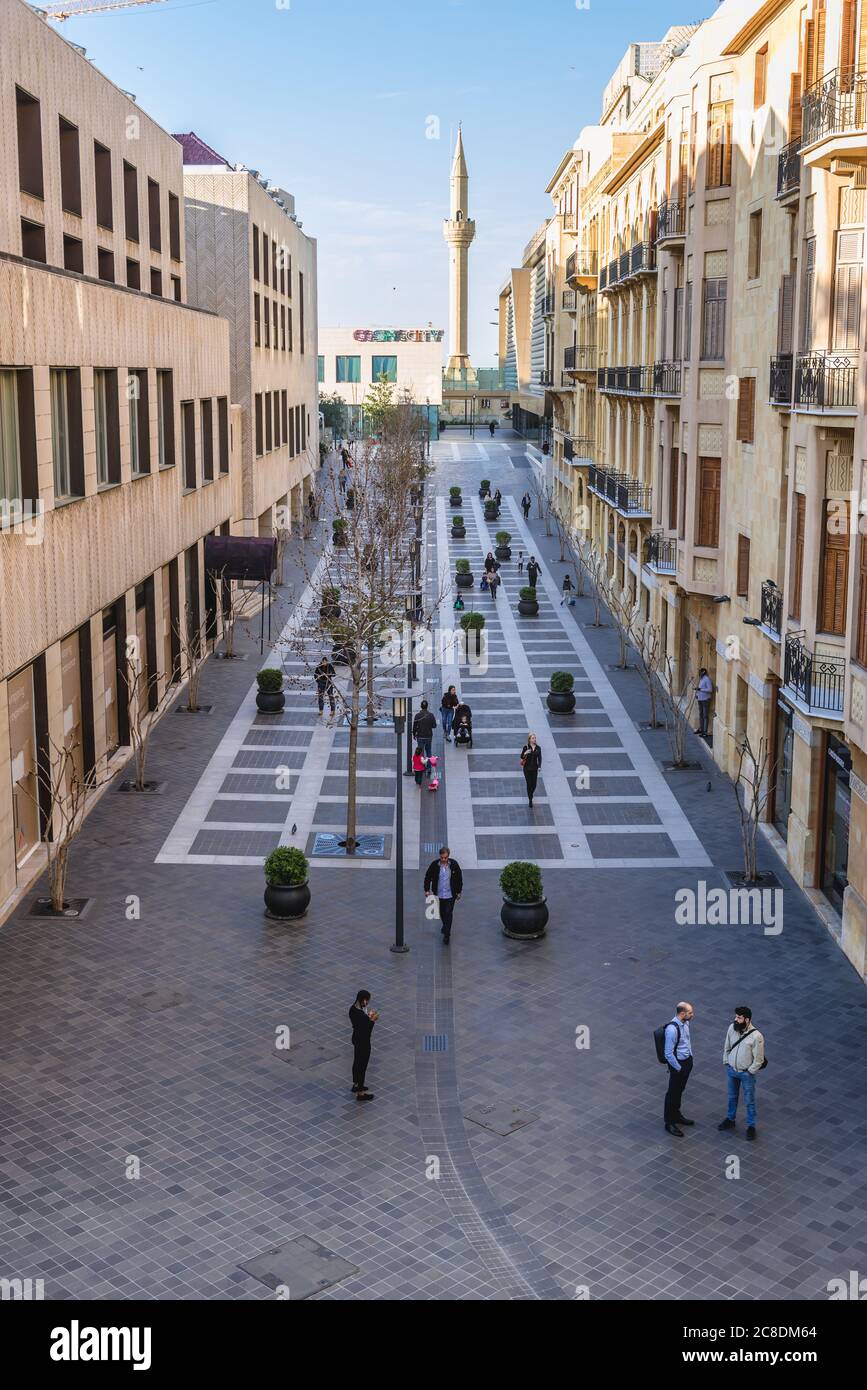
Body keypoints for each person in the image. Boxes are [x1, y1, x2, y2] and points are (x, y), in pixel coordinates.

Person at [718, 1007, 765, 1140]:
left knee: (749, 1101)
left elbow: (759, 1059)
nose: (735, 1019)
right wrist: (726, 1062)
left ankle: (751, 1126)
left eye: (739, 1017)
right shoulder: (731, 1028)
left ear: (747, 1020)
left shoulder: (757, 1036)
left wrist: (750, 1071)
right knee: (732, 1097)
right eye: (736, 1016)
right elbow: (726, 1047)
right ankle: (730, 1119)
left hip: (746, 1074)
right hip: (732, 1070)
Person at [663, 1002, 695, 1137]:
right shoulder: (672, 1029)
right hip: (678, 1065)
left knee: (680, 1090)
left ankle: (676, 1115)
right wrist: (679, 1068)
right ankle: (669, 1122)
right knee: (672, 1093)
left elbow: (686, 1041)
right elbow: (668, 1053)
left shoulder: (686, 1023)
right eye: (690, 1013)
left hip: (686, 1061)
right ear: (682, 1013)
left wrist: (690, 1057)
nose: (692, 1015)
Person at [423, 846, 463, 945]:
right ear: (440, 856)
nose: (443, 860)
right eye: (442, 858)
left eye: (445, 858)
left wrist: (459, 891)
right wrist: (427, 890)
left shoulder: (453, 864)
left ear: (448, 856)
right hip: (439, 893)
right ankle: (445, 926)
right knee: (441, 912)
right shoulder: (434, 865)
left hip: (451, 894)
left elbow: (459, 878)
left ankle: (447, 934)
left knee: (448, 912)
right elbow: (428, 877)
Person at [349, 990, 378, 1101]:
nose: (368, 1003)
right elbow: (367, 1030)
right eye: (367, 1001)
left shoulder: (353, 1009)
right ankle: (360, 1093)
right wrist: (372, 1020)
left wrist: (367, 1017)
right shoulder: (361, 1015)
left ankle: (356, 1084)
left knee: (356, 1061)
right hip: (363, 1042)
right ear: (364, 1000)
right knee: (362, 1065)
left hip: (356, 1038)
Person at [412, 699, 437, 765]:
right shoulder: (431, 715)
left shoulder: (417, 715)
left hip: (420, 736)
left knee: (421, 752)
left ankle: (422, 765)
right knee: (428, 751)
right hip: (428, 736)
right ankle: (429, 767)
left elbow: (414, 726)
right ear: (427, 706)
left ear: (421, 706)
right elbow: (434, 726)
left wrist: (414, 734)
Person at [520, 733, 542, 808]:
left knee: (534, 784)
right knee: (529, 783)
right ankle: (530, 799)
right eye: (533, 738)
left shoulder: (538, 748)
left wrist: (539, 766)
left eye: (535, 738)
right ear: (529, 739)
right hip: (526, 769)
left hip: (534, 769)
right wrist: (525, 752)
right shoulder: (526, 747)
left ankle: (530, 794)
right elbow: (522, 756)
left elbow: (540, 758)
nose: (534, 739)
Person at [696, 668, 714, 737]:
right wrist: (697, 694)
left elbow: (710, 689)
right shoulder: (701, 679)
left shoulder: (707, 679)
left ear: (703, 672)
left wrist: (701, 689)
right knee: (701, 714)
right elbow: (699, 688)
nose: (699, 674)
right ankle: (701, 728)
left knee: (705, 715)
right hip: (700, 699)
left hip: (705, 699)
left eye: (700, 672)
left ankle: (705, 732)